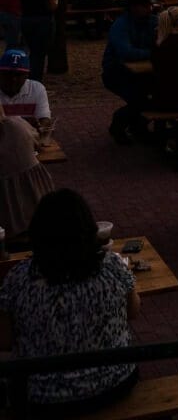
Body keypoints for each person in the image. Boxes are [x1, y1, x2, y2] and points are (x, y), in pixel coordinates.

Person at [0, 188, 140, 412]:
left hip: (43, 399)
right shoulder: (111, 265)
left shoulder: (19, 278)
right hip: (116, 382)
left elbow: (4, 340)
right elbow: (133, 310)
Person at [101, 0, 157, 144]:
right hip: (117, 72)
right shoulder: (121, 25)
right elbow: (126, 52)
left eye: (149, 5)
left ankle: (138, 127)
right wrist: (151, 53)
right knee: (139, 100)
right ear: (134, 7)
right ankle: (119, 123)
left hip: (143, 72)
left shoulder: (152, 21)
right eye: (145, 5)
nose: (149, 8)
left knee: (159, 95)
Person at [0, 103, 56, 238]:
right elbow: (38, 140)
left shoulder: (15, 127)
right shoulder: (17, 125)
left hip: (8, 219)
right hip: (38, 205)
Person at [17, 0, 56, 81]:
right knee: (38, 55)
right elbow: (51, 5)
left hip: (26, 19)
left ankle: (29, 78)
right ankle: (35, 81)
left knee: (32, 52)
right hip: (42, 20)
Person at [0, 49, 52, 135]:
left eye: (18, 75)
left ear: (27, 75)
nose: (13, 79)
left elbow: (45, 119)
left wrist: (41, 127)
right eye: (8, 74)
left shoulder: (37, 89)